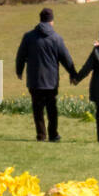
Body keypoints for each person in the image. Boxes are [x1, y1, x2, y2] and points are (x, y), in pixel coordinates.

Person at [15, 7, 76, 142]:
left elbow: (20, 56)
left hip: (34, 80)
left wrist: (19, 70)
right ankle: (53, 135)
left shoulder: (28, 37)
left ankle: (41, 135)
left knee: (38, 110)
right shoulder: (56, 38)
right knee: (52, 110)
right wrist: (73, 74)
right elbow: (66, 58)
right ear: (51, 21)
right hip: (51, 81)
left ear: (40, 19)